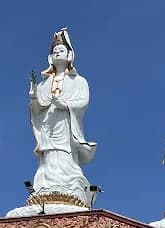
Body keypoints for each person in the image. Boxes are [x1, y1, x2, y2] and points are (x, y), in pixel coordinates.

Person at [28, 29, 97, 207]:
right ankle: (45, 188)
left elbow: (83, 102)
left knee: (65, 155)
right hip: (48, 126)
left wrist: (65, 105)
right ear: (50, 57)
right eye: (55, 51)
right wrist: (34, 97)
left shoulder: (79, 81)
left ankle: (68, 187)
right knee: (48, 157)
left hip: (66, 124)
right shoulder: (43, 84)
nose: (58, 52)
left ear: (70, 55)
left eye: (61, 50)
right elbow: (36, 110)